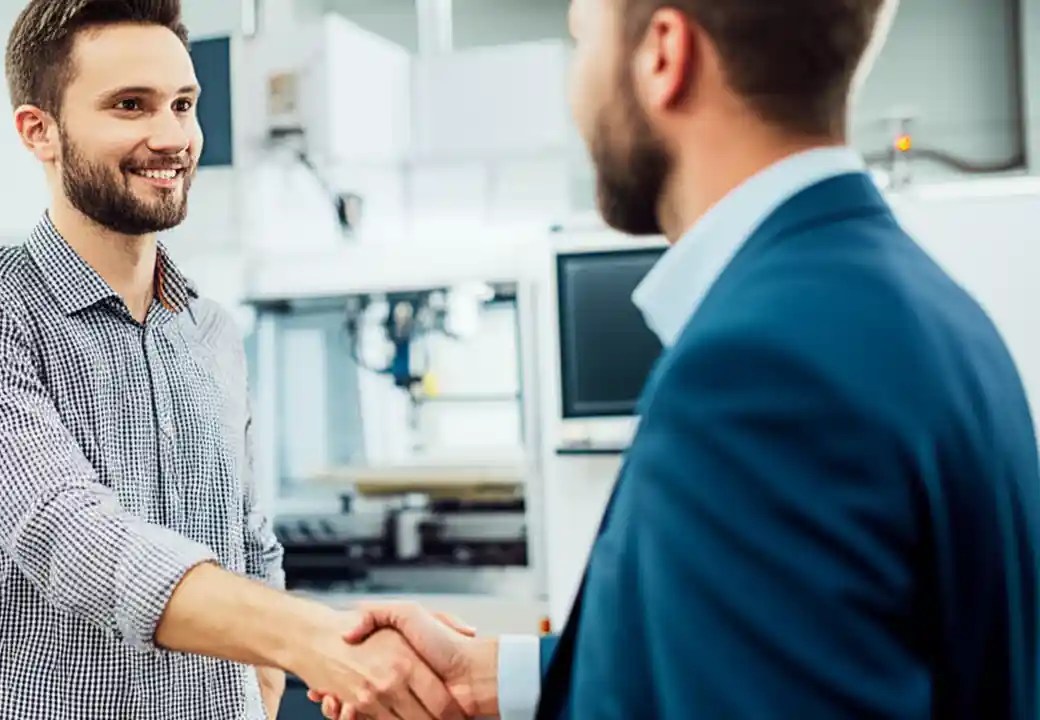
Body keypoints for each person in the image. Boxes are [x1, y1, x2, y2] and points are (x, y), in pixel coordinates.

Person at [311, 0, 1040, 717]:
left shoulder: (757, 372)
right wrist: (491, 676)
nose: (576, 94)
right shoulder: (934, 313)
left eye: (580, 40)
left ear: (663, 55)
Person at [0, 1, 467, 718]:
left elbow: (251, 542)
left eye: (184, 104)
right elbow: (72, 537)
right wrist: (313, 640)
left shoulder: (210, 331)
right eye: (130, 106)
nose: (171, 137)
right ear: (38, 131)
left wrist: (266, 679)